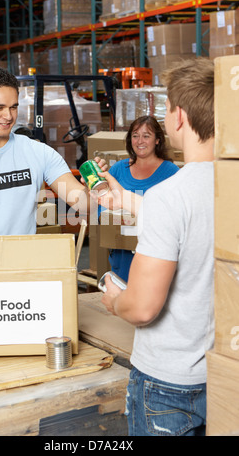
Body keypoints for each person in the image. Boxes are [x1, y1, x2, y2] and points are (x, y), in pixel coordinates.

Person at [99, 57, 215, 436]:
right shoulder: (226, 183)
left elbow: (143, 308)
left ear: (178, 117)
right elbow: (198, 219)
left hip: (169, 385)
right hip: (222, 374)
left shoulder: (171, 194)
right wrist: (129, 202)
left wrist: (115, 299)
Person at [0, 68, 105, 236]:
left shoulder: (39, 152)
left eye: (13, 107)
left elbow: (83, 205)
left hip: (26, 258)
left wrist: (94, 188)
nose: (8, 116)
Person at [105, 115, 179, 282]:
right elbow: (103, 209)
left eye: (146, 136)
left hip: (156, 258)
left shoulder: (171, 172)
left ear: (157, 140)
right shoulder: (118, 169)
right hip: (122, 257)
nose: (140, 141)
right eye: (135, 135)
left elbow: (176, 214)